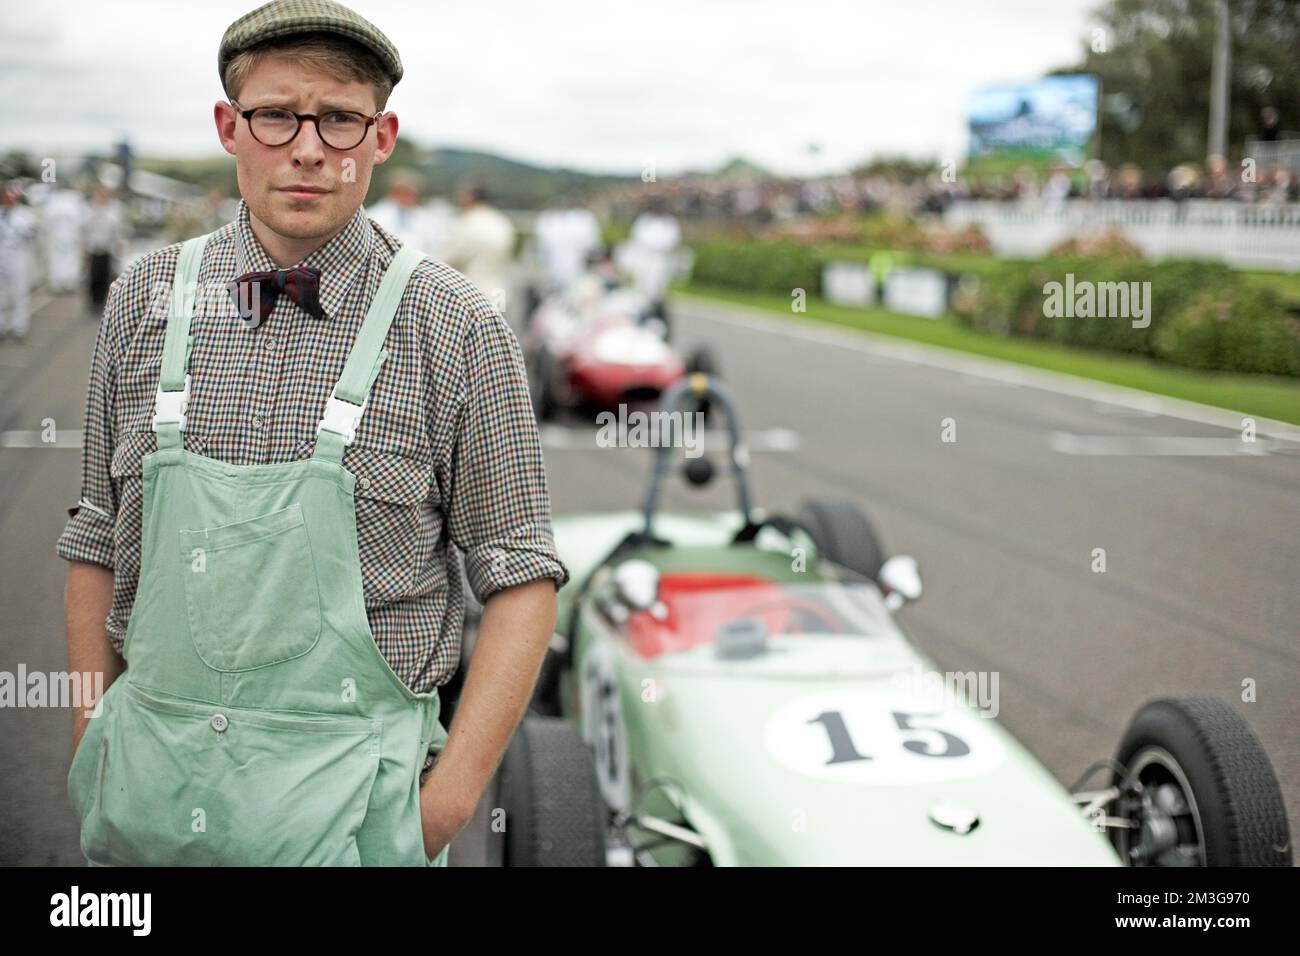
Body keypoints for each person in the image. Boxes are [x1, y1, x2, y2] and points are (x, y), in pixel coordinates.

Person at [58, 0, 568, 867]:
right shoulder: (145, 298)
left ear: (381, 136)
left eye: (339, 119)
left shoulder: (458, 326)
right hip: (149, 808)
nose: (306, 148)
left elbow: (521, 575)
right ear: (229, 126)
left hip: (357, 825)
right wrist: (91, 734)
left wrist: (442, 807)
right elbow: (96, 535)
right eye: (275, 115)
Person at [444, 185, 516, 304]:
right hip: (500, 292)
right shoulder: (502, 220)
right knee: (497, 321)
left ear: (470, 198)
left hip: (471, 292)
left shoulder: (468, 221)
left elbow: (450, 257)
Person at [366, 168, 452, 258]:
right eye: (404, 192)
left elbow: (437, 244)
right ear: (393, 192)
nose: (409, 197)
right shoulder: (374, 215)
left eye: (412, 193)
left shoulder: (425, 218)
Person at [0, 182, 38, 341]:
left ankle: (19, 327)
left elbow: (32, 235)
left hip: (18, 257)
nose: (9, 198)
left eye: (12, 195)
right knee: (1, 294)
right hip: (1, 257)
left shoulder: (26, 215)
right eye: (7, 195)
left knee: (19, 293)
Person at [83, 184, 127, 320]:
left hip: (108, 249)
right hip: (93, 248)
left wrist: (119, 247)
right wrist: (84, 249)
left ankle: (103, 303)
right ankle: (93, 303)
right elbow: (85, 230)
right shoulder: (90, 209)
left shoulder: (114, 210)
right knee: (93, 277)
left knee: (106, 277)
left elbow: (119, 230)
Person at [42, 186, 87, 293]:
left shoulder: (70, 203)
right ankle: (58, 282)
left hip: (70, 238)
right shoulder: (56, 203)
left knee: (70, 259)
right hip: (58, 238)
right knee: (57, 259)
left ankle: (69, 282)